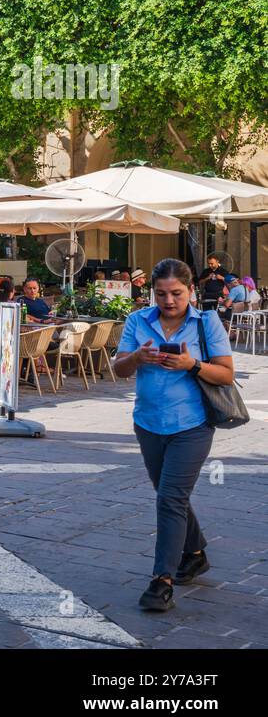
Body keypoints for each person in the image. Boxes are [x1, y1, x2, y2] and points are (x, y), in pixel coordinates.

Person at [113, 258, 234, 612]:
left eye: (176, 293)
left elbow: (226, 375)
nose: (168, 301)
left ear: (191, 291)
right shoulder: (138, 320)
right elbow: (118, 369)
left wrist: (191, 365)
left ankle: (160, 582)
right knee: (171, 495)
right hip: (148, 422)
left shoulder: (206, 323)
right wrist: (137, 357)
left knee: (169, 499)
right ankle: (194, 553)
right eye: (161, 294)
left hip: (192, 424)